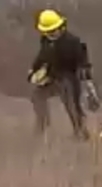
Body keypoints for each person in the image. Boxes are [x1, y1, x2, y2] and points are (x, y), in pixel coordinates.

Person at [29, 9, 95, 140]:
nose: (51, 34)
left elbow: (84, 63)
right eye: (47, 32)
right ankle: (42, 125)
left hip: (69, 78)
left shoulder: (74, 42)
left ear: (60, 27)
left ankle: (81, 133)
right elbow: (41, 57)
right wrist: (33, 70)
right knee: (37, 96)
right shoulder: (46, 40)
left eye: (53, 31)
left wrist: (88, 83)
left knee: (72, 106)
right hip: (51, 77)